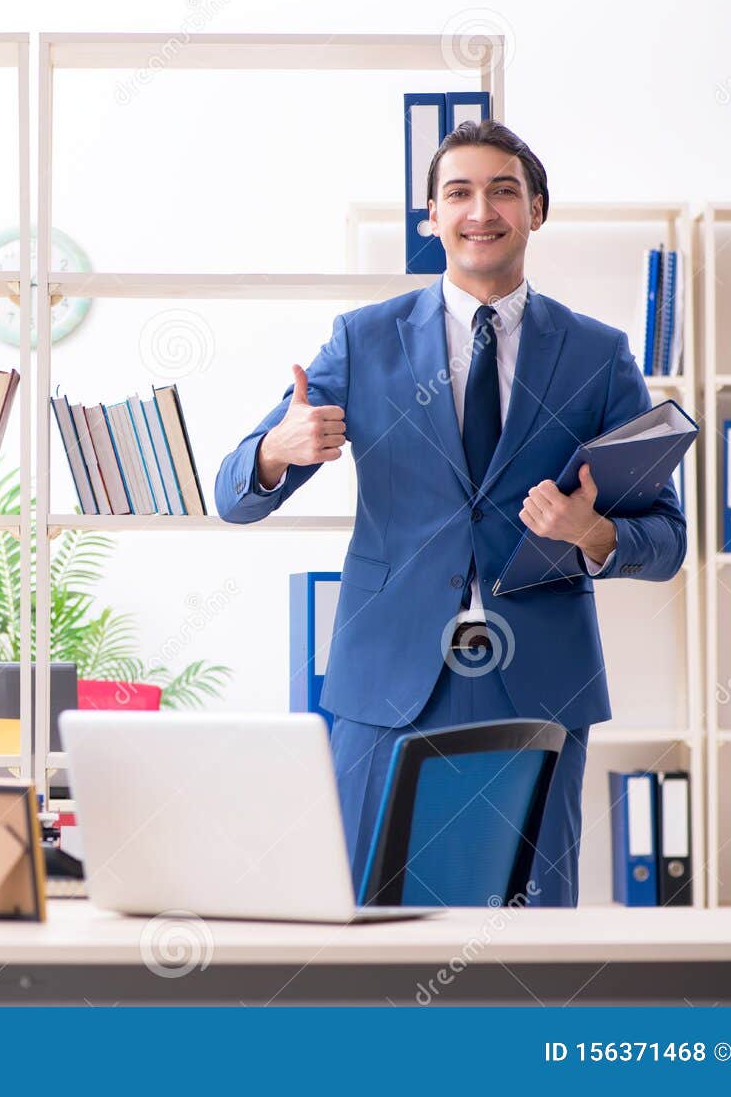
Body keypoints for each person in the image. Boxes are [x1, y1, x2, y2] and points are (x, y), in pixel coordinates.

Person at [214, 120, 686, 906]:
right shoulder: (363, 341)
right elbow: (234, 497)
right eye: (458, 192)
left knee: (529, 939)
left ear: (537, 209)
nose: (481, 210)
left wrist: (593, 534)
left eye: (504, 190)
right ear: (430, 216)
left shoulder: (598, 354)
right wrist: (277, 450)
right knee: (368, 921)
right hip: (388, 679)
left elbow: (667, 541)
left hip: (539, 681)